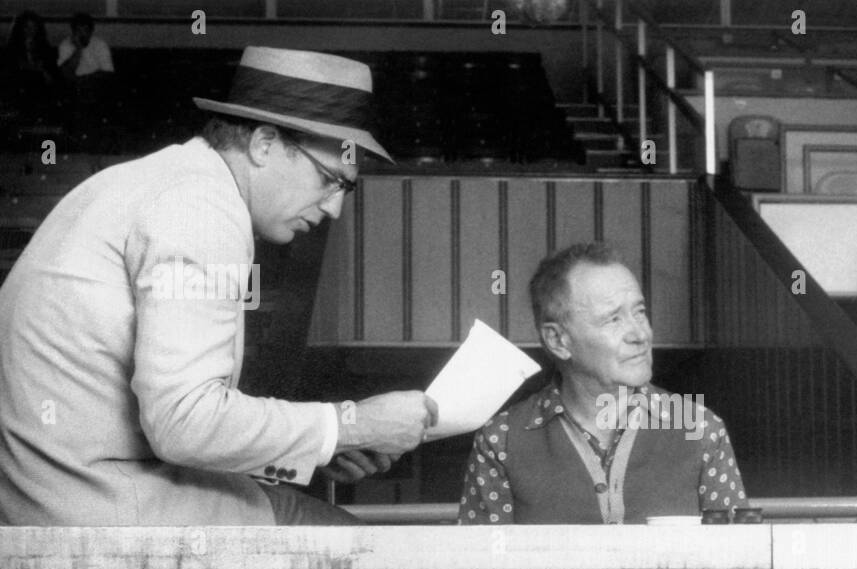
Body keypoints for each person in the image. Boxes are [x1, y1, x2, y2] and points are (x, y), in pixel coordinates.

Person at [0, 47, 437, 525]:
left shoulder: (155, 179)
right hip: (98, 507)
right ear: (264, 144)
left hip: (45, 492)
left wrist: (319, 445)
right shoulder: (200, 210)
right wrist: (353, 424)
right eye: (330, 180)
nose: (333, 209)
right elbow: (184, 424)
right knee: (362, 549)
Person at [459, 243, 747, 524]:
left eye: (640, 312)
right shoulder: (501, 440)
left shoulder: (701, 429)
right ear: (558, 340)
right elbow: (480, 567)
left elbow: (740, 559)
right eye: (613, 319)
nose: (640, 334)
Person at [57, 12, 112, 79]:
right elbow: (65, 72)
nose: (82, 34)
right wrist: (78, 49)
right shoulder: (65, 45)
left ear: (91, 31)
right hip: (73, 83)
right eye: (78, 30)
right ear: (73, 31)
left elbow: (107, 72)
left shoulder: (100, 45)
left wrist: (87, 78)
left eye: (86, 30)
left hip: (94, 82)